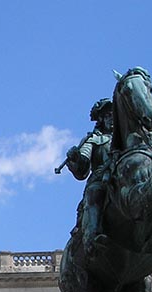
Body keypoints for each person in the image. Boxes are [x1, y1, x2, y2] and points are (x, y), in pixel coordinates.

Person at [63, 98, 113, 253]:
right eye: (108, 116)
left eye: (115, 115)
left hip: (126, 180)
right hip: (101, 181)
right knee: (94, 194)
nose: (112, 119)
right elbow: (82, 170)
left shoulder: (131, 138)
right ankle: (92, 237)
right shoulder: (93, 140)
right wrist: (76, 157)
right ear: (101, 120)